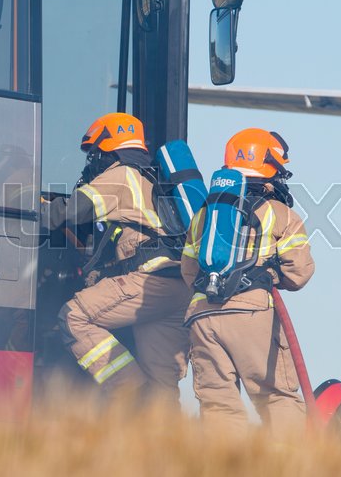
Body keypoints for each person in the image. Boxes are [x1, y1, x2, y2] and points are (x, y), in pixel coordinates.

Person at [44, 112, 191, 404]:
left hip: (149, 284)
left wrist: (29, 208)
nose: (91, 163)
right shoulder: (156, 179)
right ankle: (170, 441)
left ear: (107, 149)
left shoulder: (121, 175)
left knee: (74, 317)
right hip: (179, 287)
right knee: (163, 386)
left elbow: (73, 211)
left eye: (94, 155)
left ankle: (131, 392)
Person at [182, 128, 315, 435]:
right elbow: (299, 274)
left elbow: (188, 272)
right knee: (276, 397)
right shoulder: (281, 214)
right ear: (271, 169)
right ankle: (290, 466)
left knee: (218, 405)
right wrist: (268, 276)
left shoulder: (204, 214)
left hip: (202, 314)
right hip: (252, 312)